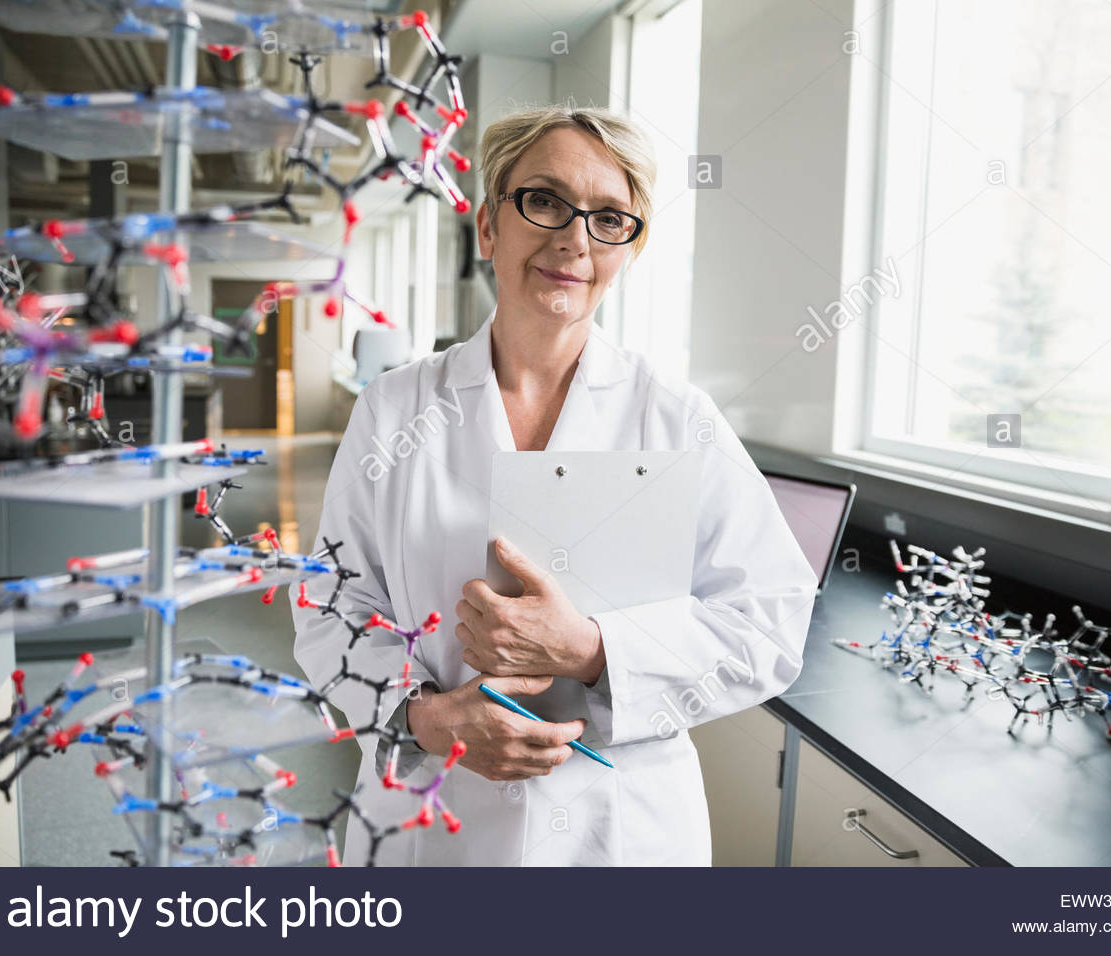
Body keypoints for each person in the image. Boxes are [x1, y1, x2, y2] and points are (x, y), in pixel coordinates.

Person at [292, 104, 818, 866]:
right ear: (487, 226)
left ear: (629, 249)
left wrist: (595, 650)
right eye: (544, 200)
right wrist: (426, 718)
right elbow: (332, 606)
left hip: (616, 826)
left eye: (611, 218)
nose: (574, 238)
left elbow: (770, 620)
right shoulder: (397, 408)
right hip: (437, 816)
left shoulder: (674, 417)